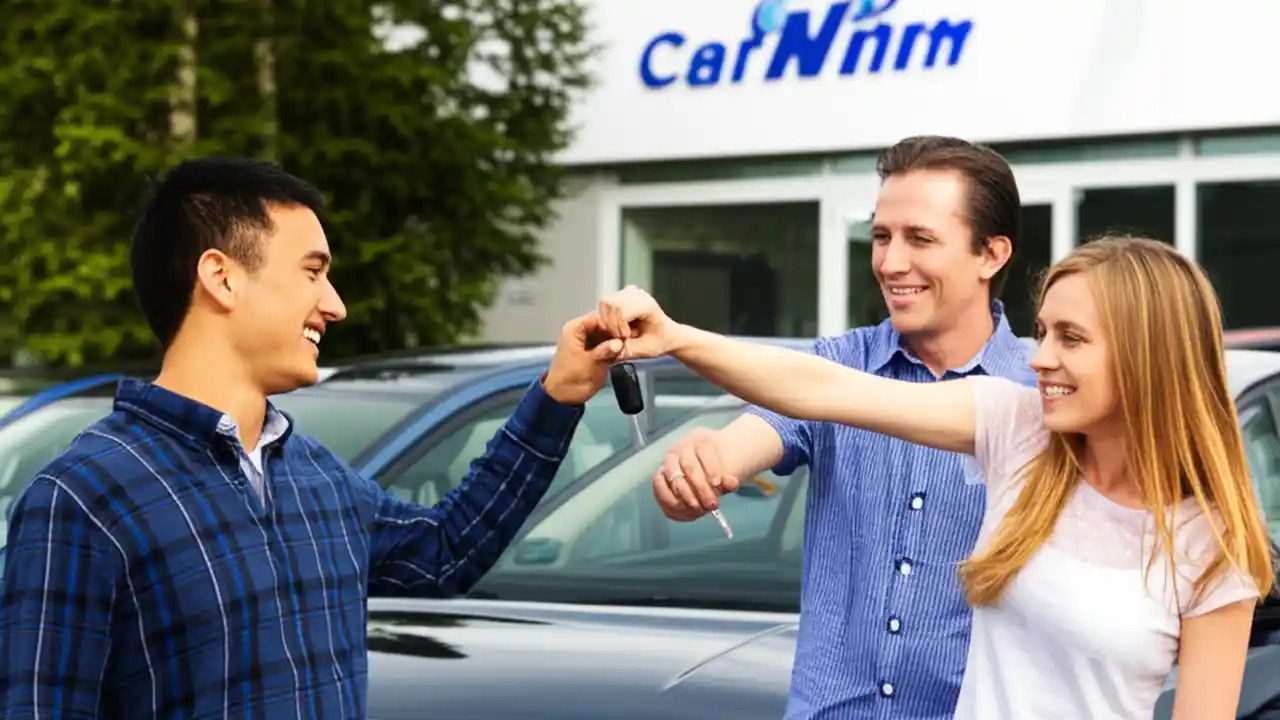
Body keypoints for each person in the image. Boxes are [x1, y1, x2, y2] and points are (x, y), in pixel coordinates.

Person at [0, 157, 626, 719]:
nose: (336, 305)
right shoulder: (83, 500)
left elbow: (444, 553)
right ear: (221, 277)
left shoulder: (317, 477)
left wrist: (559, 394)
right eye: (313, 272)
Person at [597, 235, 1277, 719]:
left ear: (1148, 357)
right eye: (1042, 332)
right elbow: (821, 389)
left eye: (1071, 339)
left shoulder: (1211, 544)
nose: (1039, 358)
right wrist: (678, 338)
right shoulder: (1018, 432)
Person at [649, 135, 1036, 718]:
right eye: (881, 236)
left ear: (991, 254)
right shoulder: (834, 366)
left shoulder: (1043, 398)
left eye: (920, 239)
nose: (890, 261)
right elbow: (748, 438)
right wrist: (701, 468)